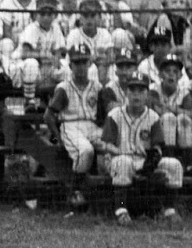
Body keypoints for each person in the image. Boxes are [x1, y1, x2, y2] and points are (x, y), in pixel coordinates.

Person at [96, 79, 182, 224]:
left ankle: (170, 210)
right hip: (116, 159)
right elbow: (105, 145)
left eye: (141, 91)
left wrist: (154, 158)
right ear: (126, 93)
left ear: (147, 95)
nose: (136, 95)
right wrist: (120, 152)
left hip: (142, 160)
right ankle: (121, 210)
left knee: (174, 165)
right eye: (133, 90)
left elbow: (157, 146)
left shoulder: (153, 117)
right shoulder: (115, 115)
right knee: (124, 162)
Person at [45, 47, 114, 209]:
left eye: (84, 62)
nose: (81, 66)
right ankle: (75, 191)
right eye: (77, 63)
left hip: (91, 125)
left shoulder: (97, 86)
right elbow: (48, 115)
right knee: (86, 151)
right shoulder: (64, 87)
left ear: (89, 64)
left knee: (112, 146)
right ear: (70, 66)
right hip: (71, 125)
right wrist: (58, 137)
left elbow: (104, 114)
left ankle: (111, 192)